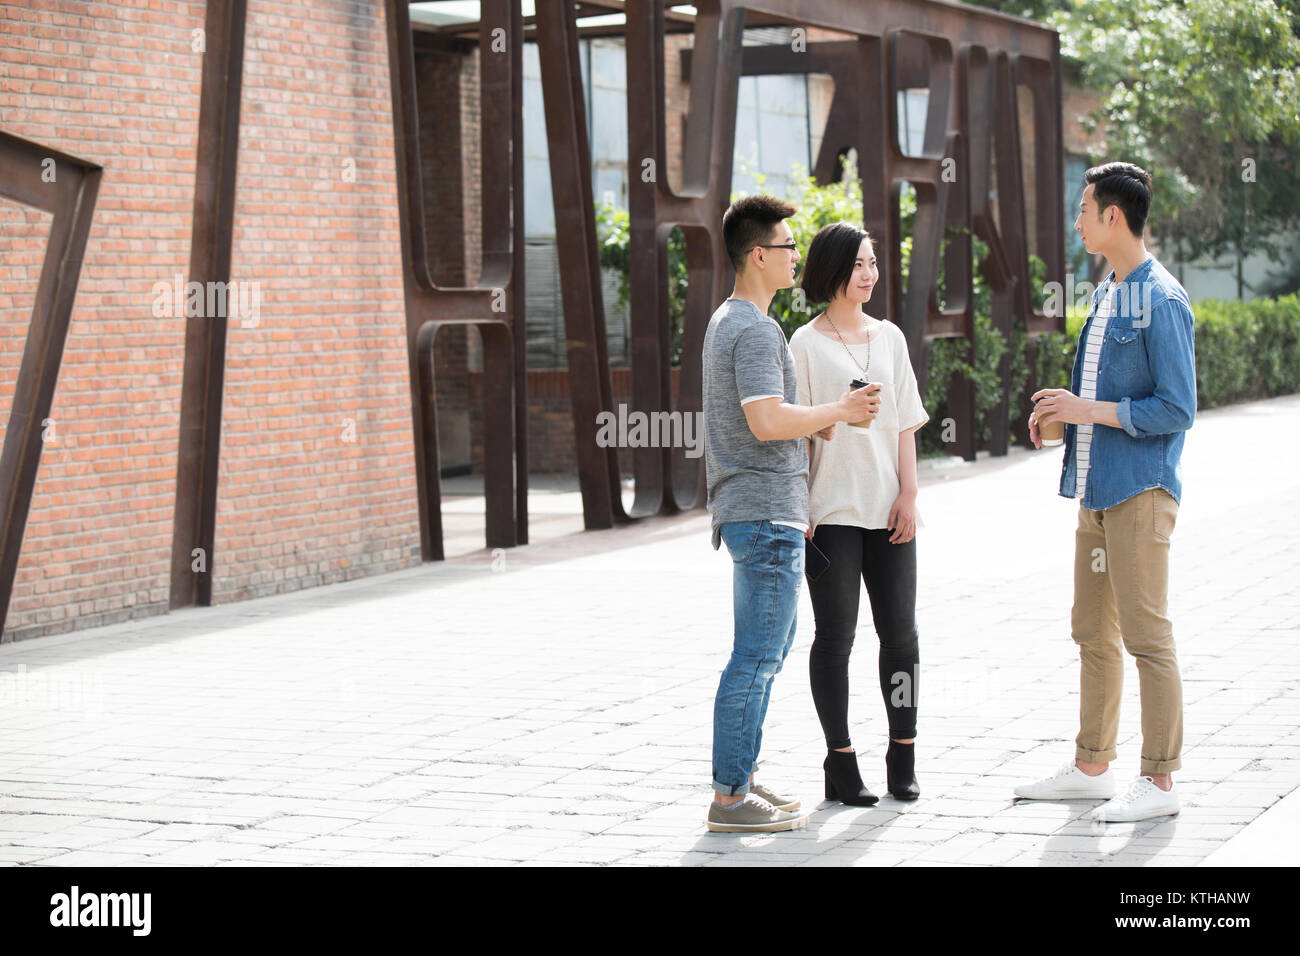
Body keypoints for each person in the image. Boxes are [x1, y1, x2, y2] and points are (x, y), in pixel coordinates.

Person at [1017, 162, 1196, 822]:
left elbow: (1177, 407)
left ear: (1113, 217)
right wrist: (1060, 418)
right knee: (1093, 631)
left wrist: (1087, 409)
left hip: (1141, 494)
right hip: (1095, 494)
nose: (1077, 220)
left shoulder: (1164, 299)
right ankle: (1093, 766)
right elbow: (1096, 401)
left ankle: (1160, 782)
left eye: (1084, 209)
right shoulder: (1105, 295)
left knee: (1147, 636)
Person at [702, 195, 880, 832]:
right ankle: (728, 797)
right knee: (756, 657)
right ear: (757, 255)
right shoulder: (754, 328)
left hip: (755, 510)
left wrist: (828, 416)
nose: (795, 256)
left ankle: (740, 778)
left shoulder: (730, 321)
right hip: (765, 512)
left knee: (762, 654)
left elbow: (771, 421)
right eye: (785, 247)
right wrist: (836, 414)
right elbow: (766, 419)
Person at [788, 222, 929, 806]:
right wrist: (802, 509)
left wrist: (910, 495)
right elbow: (793, 435)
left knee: (901, 638)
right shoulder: (803, 344)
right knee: (835, 640)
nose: (870, 274)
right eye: (859, 265)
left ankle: (904, 750)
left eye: (874, 263)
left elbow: (903, 422)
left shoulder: (889, 338)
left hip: (888, 509)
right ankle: (841, 758)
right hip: (831, 514)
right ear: (833, 270)